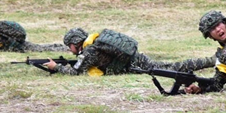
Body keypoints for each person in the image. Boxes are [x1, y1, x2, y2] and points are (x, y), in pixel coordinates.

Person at [45, 27, 216, 76]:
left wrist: (56, 67)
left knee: (173, 68)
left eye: (70, 45)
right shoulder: (93, 44)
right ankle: (211, 61)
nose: (69, 49)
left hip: (136, 65)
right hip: (136, 60)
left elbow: (76, 72)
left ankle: (212, 60)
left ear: (76, 42)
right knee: (170, 66)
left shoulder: (89, 51)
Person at [0, 20, 67, 53]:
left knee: (44, 49)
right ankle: (62, 47)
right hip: (20, 45)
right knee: (44, 47)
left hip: (21, 48)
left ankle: (66, 48)